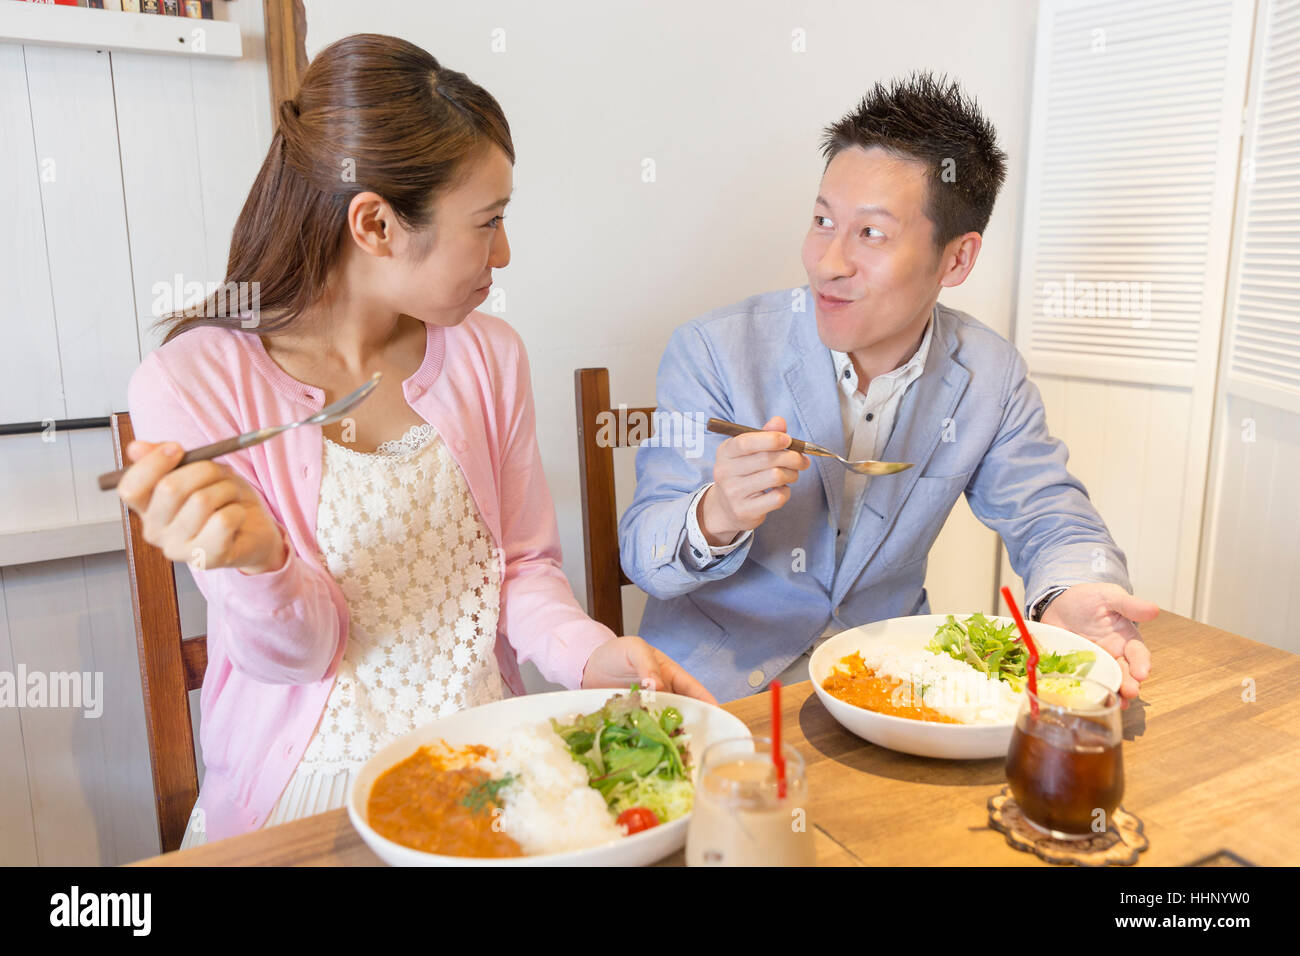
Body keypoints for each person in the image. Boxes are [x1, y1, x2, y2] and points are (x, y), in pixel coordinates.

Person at [117, 33, 713, 847]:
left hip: (494, 760)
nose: (503, 253)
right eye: (488, 222)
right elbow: (300, 654)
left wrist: (590, 657)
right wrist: (261, 561)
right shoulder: (194, 385)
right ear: (375, 224)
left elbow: (524, 569)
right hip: (312, 796)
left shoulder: (487, 356)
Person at [619, 72, 1158, 704]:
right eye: (823, 220)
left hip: (887, 688)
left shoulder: (989, 373)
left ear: (956, 259)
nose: (828, 261)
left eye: (870, 234)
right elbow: (642, 549)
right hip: (716, 696)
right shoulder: (712, 349)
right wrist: (717, 514)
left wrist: (1075, 591)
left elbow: (1049, 514)